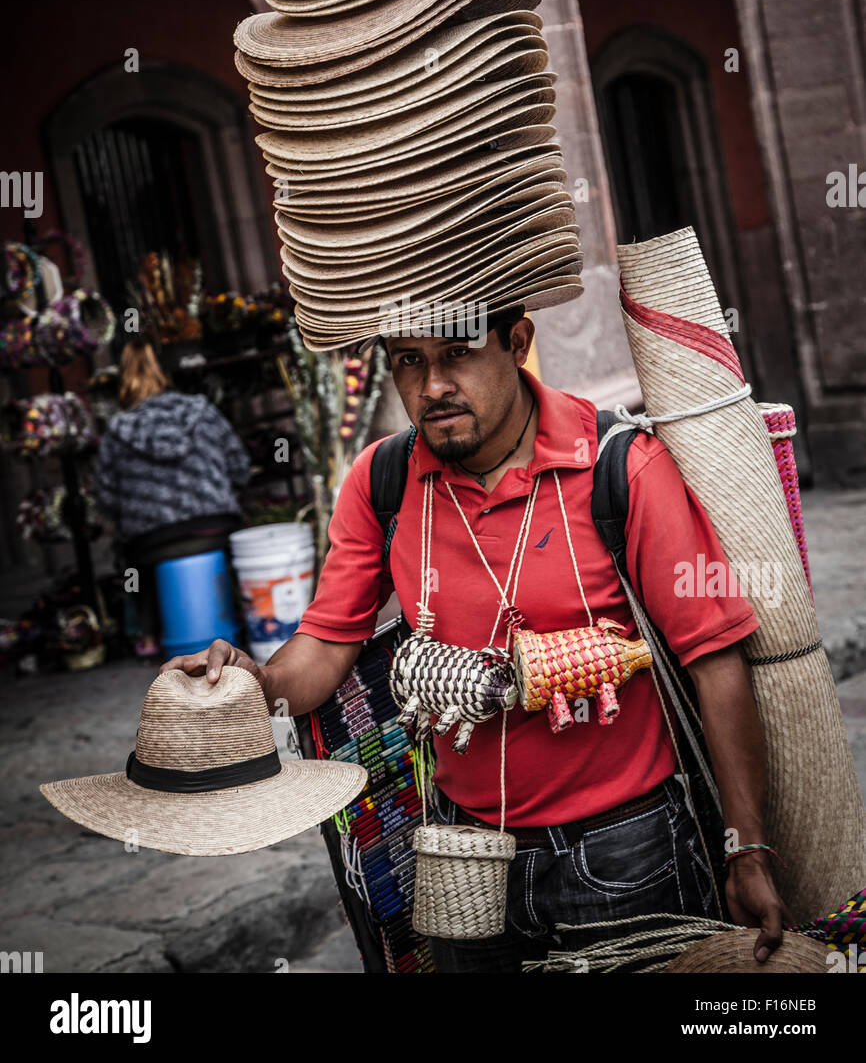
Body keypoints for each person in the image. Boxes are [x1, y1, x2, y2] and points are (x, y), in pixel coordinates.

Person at [163, 308, 789, 971]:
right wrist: (252, 685)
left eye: (456, 353)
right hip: (463, 852)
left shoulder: (621, 467)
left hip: (628, 851)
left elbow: (714, 660)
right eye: (408, 360)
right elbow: (325, 643)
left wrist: (746, 849)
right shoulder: (382, 483)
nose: (432, 385)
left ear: (516, 343)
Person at [96, 342, 250, 658]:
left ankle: (150, 637)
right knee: (233, 549)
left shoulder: (117, 428)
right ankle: (240, 624)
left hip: (152, 540)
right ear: (167, 374)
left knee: (135, 562)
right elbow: (240, 468)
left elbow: (106, 499)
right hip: (214, 526)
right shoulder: (202, 409)